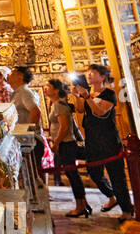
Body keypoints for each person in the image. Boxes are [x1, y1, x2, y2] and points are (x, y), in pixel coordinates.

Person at [72, 63, 134, 221]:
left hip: (108, 139)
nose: (88, 75)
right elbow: (80, 110)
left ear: (102, 77)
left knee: (116, 176)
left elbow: (99, 112)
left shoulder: (109, 94)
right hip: (92, 139)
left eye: (92, 73)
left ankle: (127, 210)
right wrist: (78, 96)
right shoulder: (88, 93)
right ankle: (111, 196)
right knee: (94, 172)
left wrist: (87, 97)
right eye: (87, 73)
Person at [43, 79, 91, 217]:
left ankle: (80, 206)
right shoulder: (56, 104)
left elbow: (64, 127)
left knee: (72, 175)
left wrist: (56, 143)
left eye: (48, 87)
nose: (45, 89)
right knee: (72, 175)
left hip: (66, 144)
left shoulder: (59, 105)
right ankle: (84, 204)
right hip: (65, 143)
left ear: (56, 90)